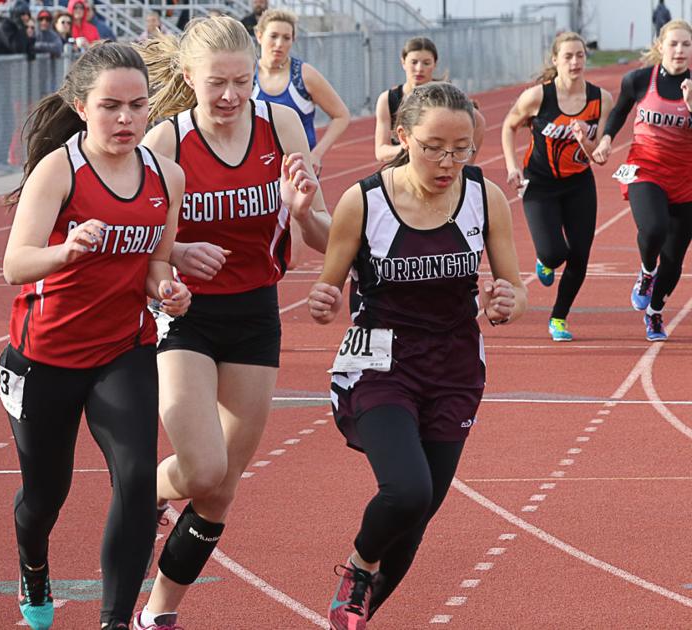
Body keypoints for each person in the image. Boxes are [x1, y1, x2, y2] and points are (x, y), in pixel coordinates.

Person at [133, 16, 330, 629]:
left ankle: (158, 615)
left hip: (255, 314)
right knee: (202, 468)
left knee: (220, 491)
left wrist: (303, 211)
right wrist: (174, 255)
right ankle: (143, 493)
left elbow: (325, 237)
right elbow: (133, 242)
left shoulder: (281, 125)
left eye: (242, 82)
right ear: (188, 77)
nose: (230, 96)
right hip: (186, 315)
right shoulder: (166, 140)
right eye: (216, 83)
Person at [307, 81, 526, 630]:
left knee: (417, 517)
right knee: (407, 491)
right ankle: (358, 568)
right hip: (380, 365)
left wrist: (506, 302)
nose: (448, 161)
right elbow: (328, 285)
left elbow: (515, 290)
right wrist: (322, 301)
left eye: (461, 149)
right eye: (433, 148)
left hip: (455, 369)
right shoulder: (364, 201)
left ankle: (354, 618)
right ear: (403, 137)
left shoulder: (484, 197)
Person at [0, 41, 189, 630]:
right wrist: (66, 250)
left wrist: (169, 290)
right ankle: (33, 564)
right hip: (45, 356)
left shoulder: (166, 175)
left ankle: (114, 621)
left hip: (123, 351)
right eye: (110, 106)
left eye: (137, 105)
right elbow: (15, 264)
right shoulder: (59, 170)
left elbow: (157, 263)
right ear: (82, 107)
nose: (126, 119)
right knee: (44, 497)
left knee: (136, 480)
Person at [501, 32, 612, 341]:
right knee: (553, 254)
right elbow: (509, 126)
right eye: (568, 56)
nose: (575, 62)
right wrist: (511, 167)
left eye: (580, 55)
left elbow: (598, 157)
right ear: (555, 60)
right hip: (540, 183)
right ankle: (545, 260)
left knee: (580, 255)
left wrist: (586, 139)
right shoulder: (538, 96)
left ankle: (559, 317)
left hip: (579, 183)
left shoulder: (601, 99)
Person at [592, 20, 692, 341]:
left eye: (686, 44)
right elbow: (619, 112)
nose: (679, 50)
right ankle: (647, 271)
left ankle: (654, 313)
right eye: (673, 43)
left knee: (673, 261)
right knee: (654, 229)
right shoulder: (638, 79)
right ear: (660, 46)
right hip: (644, 168)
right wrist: (606, 139)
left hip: (686, 179)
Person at [252, 9, 350, 174]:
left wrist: (316, 154)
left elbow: (342, 115)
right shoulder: (246, 75)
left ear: (293, 39)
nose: (279, 44)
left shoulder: (304, 75)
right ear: (259, 36)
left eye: (286, 38)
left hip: (298, 173)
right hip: (258, 171)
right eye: (273, 36)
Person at [374, 37, 488, 162]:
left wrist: (467, 164)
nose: (419, 68)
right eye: (414, 62)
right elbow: (381, 151)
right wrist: (412, 145)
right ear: (403, 62)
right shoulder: (387, 99)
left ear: (435, 64)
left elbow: (479, 122)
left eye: (426, 63)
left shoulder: (446, 94)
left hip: (438, 166)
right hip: (403, 168)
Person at [0, 0, 35, 173]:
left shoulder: (18, 29)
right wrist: (22, 30)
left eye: (27, 15)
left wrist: (30, 35)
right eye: (22, 15)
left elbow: (29, 53)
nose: (25, 18)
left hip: (6, 81)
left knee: (8, 119)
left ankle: (2, 159)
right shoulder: (5, 27)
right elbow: (17, 47)